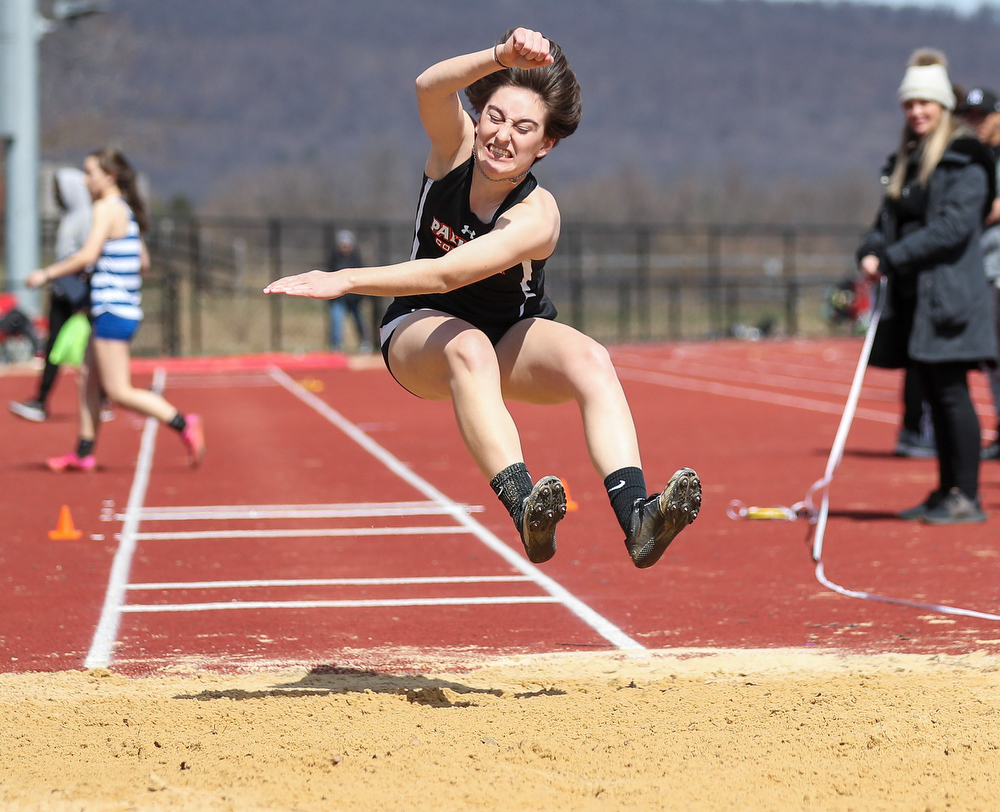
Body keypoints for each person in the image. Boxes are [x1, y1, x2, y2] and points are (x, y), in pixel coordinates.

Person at [266, 27, 701, 567]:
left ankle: (638, 516)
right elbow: (428, 88)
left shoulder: (537, 216)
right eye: (495, 117)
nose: (502, 136)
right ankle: (526, 509)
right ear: (479, 118)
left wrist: (347, 279)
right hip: (420, 329)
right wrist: (500, 57)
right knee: (466, 347)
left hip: (508, 334)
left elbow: (448, 273)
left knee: (593, 360)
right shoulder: (451, 152)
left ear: (545, 145)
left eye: (523, 128)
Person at [857, 50, 998, 524]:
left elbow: (956, 227)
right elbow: (886, 221)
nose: (916, 112)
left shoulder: (965, 156)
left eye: (925, 103)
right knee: (936, 395)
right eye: (909, 104)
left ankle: (967, 497)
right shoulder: (906, 159)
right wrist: (871, 250)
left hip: (952, 297)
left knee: (953, 394)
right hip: (915, 302)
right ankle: (945, 491)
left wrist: (892, 257)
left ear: (943, 106)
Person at [26, 148, 206, 472]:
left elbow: (88, 254)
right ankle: (83, 452)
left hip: (113, 311)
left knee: (118, 391)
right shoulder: (124, 210)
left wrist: (47, 274)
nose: (85, 179)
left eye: (90, 172)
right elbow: (144, 261)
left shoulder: (106, 209)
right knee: (87, 378)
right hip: (116, 309)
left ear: (108, 177)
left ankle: (183, 423)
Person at [9, 168, 93, 422]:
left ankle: (102, 398)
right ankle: (41, 400)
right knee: (54, 346)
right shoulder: (68, 217)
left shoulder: (86, 217)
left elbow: (86, 257)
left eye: (60, 189)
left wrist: (55, 277)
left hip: (78, 293)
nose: (56, 195)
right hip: (61, 292)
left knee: (90, 349)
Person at [956, 86, 1000, 461]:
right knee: (994, 355)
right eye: (970, 118)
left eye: (982, 116)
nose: (976, 124)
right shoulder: (977, 157)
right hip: (984, 266)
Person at [324, 230, 373, 352]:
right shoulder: (334, 259)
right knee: (336, 320)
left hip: (354, 297)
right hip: (338, 298)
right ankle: (336, 345)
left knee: (359, 320)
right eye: (342, 245)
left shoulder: (357, 259)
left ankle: (365, 343)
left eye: (347, 245)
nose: (345, 248)